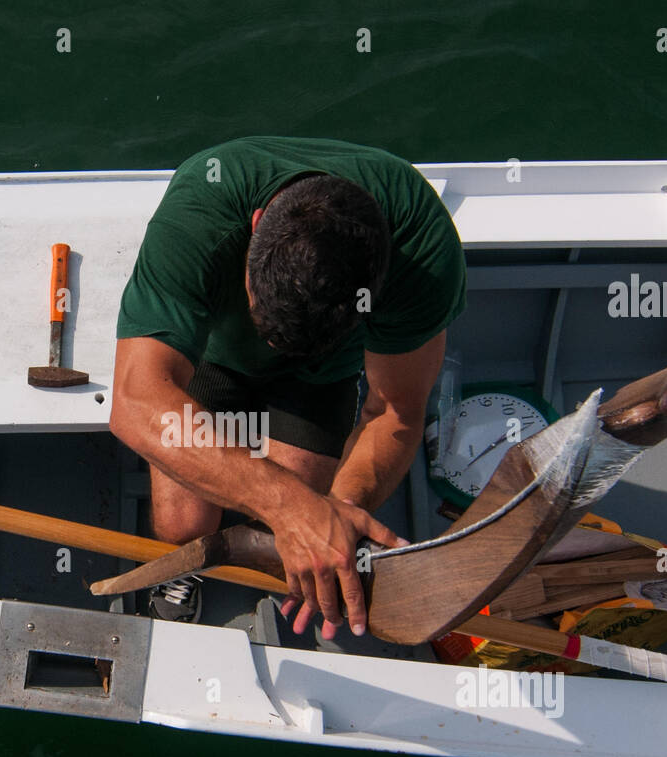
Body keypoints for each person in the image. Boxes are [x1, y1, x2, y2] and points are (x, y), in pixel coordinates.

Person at [110, 136, 466, 638]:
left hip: (318, 375)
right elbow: (137, 400)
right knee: (182, 527)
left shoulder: (422, 249)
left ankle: (282, 564)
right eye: (266, 319)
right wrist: (291, 506)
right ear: (255, 227)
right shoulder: (202, 205)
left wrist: (336, 517)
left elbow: (394, 413)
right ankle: (189, 570)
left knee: (273, 537)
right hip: (216, 358)